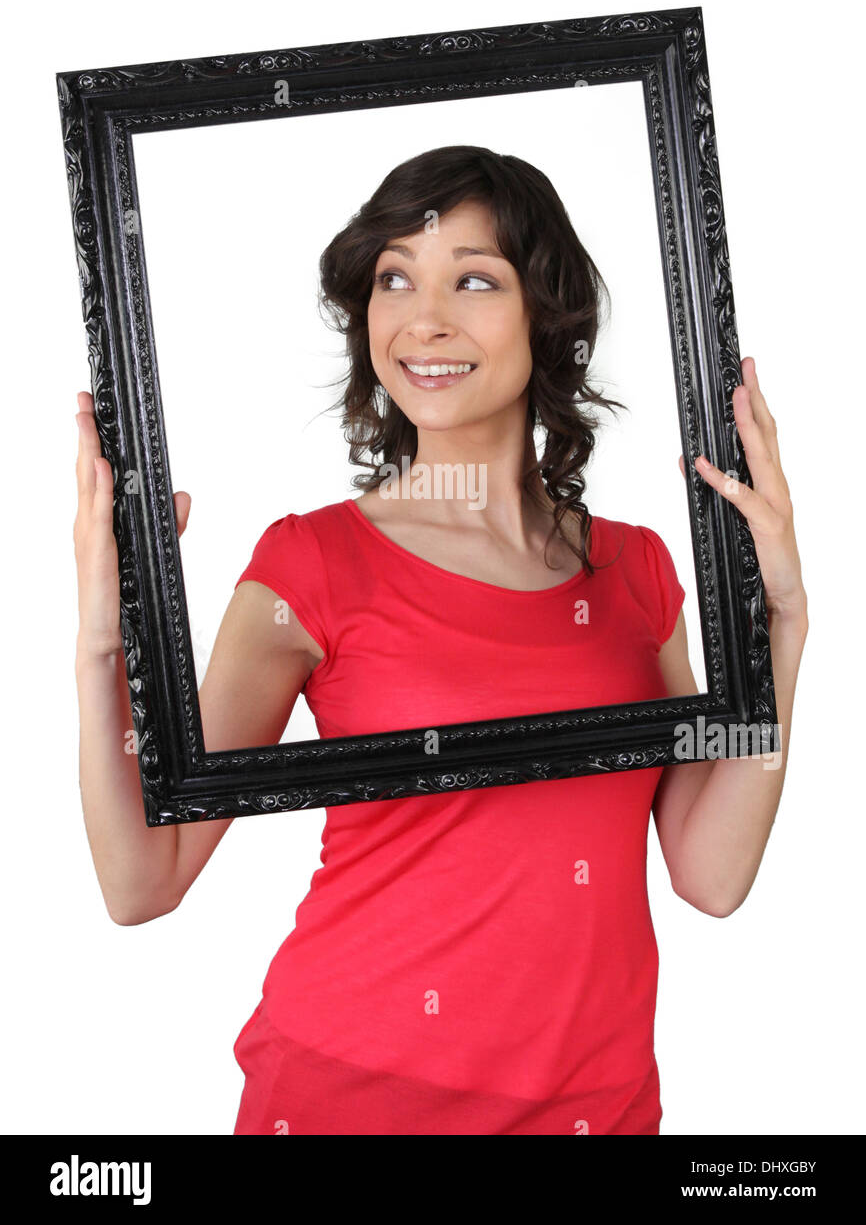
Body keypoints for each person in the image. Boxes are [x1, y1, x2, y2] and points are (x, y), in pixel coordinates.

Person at [73, 145, 809, 1135]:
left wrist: (782, 625)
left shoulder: (633, 575)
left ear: (547, 316)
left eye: (472, 278)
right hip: (351, 1101)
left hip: (598, 1108)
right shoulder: (311, 566)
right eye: (393, 279)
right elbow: (141, 879)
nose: (424, 317)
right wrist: (100, 650)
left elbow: (708, 875)